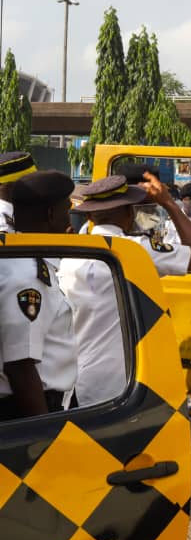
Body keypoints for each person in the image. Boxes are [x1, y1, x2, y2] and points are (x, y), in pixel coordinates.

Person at [59, 173, 191, 408]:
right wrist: (169, 203)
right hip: (120, 386)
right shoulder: (136, 250)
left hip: (75, 384)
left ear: (89, 215)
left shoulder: (72, 253)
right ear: (130, 214)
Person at [0, 171, 76, 419]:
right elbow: (20, 365)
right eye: (67, 210)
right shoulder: (29, 275)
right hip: (26, 411)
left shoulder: (25, 261)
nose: (70, 220)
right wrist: (43, 437)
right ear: (51, 214)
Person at [0, 151, 37, 233]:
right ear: (10, 187)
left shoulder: (22, 212)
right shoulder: (3, 225)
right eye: (32, 181)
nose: (36, 186)